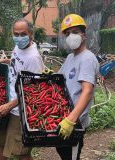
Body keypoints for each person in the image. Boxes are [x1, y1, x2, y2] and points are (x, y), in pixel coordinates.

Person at [0, 18, 45, 160]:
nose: (19, 37)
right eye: (16, 34)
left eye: (23, 34)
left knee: (21, 151)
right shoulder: (18, 48)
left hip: (20, 110)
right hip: (7, 99)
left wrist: (9, 106)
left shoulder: (34, 58)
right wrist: (4, 61)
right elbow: (17, 62)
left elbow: (32, 90)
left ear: (30, 34)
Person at [56, 14, 99, 160]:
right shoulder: (70, 57)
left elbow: (87, 91)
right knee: (63, 151)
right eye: (67, 34)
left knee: (71, 156)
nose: (70, 36)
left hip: (76, 122)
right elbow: (60, 77)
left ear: (83, 35)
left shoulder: (87, 58)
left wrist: (71, 120)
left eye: (75, 32)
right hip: (66, 115)